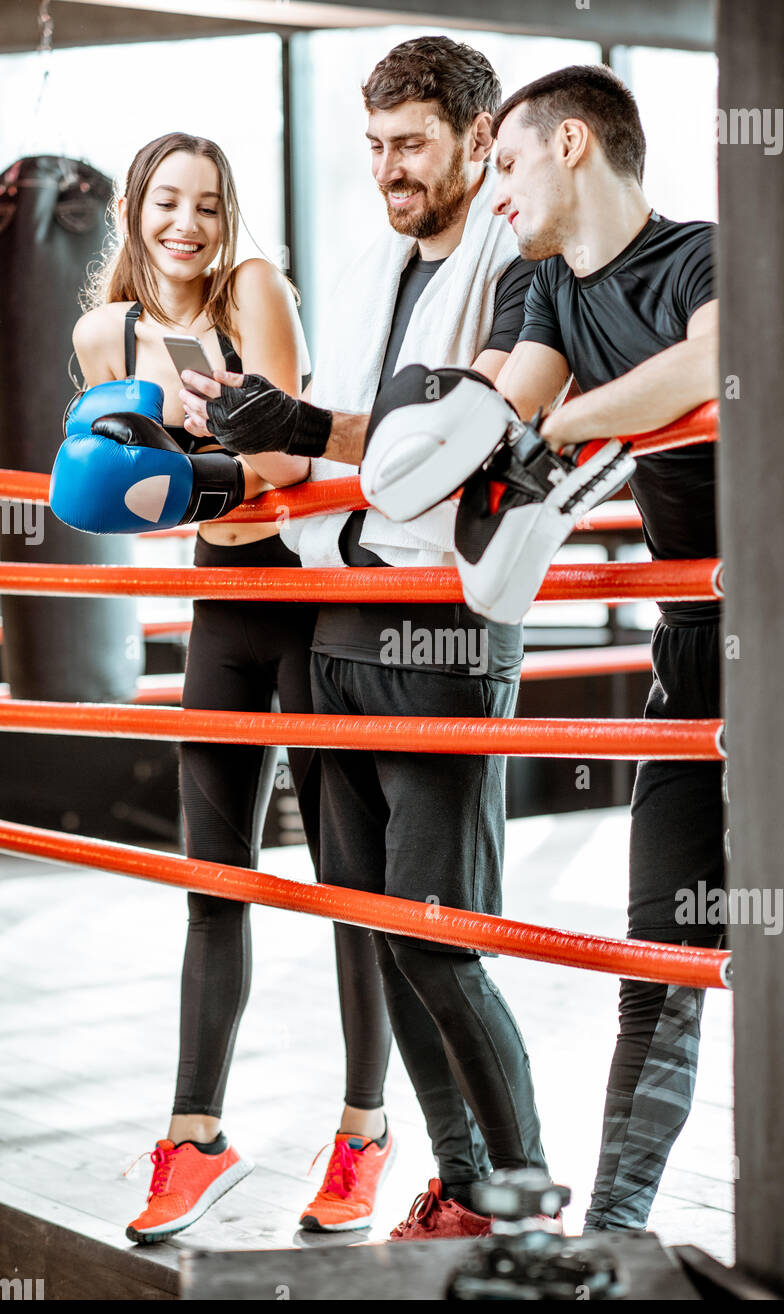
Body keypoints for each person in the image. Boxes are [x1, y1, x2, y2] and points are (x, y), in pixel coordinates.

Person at [182, 37, 551, 1239]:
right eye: (377, 146)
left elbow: (437, 445)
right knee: (378, 932)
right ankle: (458, 1183)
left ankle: (527, 1204)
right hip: (336, 617)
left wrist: (326, 426)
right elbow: (337, 445)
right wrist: (229, 442)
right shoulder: (368, 261)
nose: (390, 169)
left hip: (441, 626)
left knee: (440, 936)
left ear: (478, 133)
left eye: (413, 144)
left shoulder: (515, 262)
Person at [69, 131, 382, 1244]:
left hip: (306, 601)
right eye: (165, 201)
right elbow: (111, 488)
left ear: (227, 212)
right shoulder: (104, 332)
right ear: (136, 212)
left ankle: (363, 1132)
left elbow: (288, 463)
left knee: (350, 882)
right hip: (220, 609)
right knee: (216, 875)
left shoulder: (259, 288)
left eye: (207, 202)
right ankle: (195, 1134)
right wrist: (164, 475)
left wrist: (179, 471)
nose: (186, 223)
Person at [486, 65, 722, 1231]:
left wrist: (572, 422)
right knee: (664, 956)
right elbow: (500, 411)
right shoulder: (548, 294)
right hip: (695, 655)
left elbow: (712, 365)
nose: (498, 194)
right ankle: (616, 1235)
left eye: (509, 163)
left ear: (571, 143)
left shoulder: (704, 254)